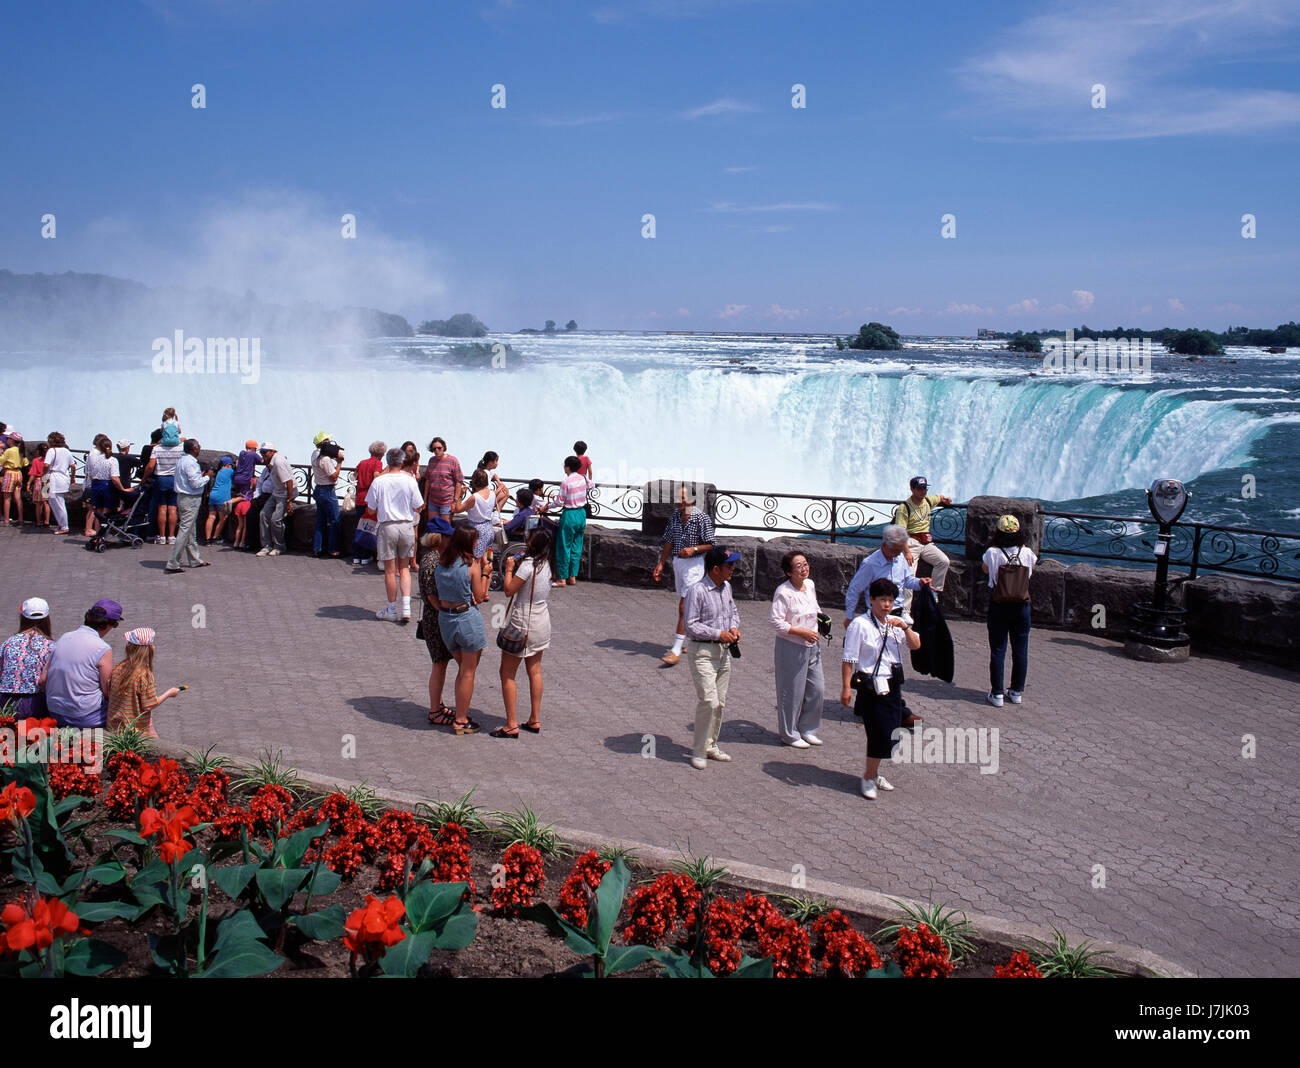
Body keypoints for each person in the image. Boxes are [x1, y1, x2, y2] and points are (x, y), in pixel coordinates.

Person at [840, 577, 922, 800]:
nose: (886, 605)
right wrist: (846, 688)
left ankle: (874, 773)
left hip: (892, 685)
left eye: (890, 600)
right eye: (882, 600)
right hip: (871, 686)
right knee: (878, 733)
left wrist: (905, 627)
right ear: (871, 600)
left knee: (891, 732)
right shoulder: (860, 624)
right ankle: (868, 776)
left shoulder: (896, 623)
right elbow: (849, 659)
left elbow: (916, 645)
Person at [683, 546, 742, 770]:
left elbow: (733, 611)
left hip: (723, 653)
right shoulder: (697, 591)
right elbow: (691, 625)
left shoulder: (727, 588)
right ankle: (698, 751)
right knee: (709, 701)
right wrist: (719, 634)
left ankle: (711, 745)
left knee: (720, 703)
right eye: (729, 566)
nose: (733, 570)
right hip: (702, 653)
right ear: (716, 569)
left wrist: (734, 628)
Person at [494, 528, 553, 738]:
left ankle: (511, 724)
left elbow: (509, 590)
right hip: (542, 620)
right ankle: (534, 718)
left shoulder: (527, 567)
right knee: (535, 670)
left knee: (507, 673)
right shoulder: (546, 564)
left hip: (523, 622)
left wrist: (509, 568)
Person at [434, 525, 492, 735]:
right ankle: (461, 719)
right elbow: (480, 596)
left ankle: (460, 712)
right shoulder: (472, 566)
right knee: (468, 672)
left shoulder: (441, 563)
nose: (477, 544)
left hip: (445, 619)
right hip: (466, 618)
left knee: (462, 669)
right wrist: (486, 574)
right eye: (475, 541)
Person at [652, 485, 715, 665]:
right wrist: (661, 563)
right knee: (689, 603)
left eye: (682, 498)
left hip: (694, 564)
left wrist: (693, 549)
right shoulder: (675, 515)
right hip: (679, 563)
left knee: (684, 605)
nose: (678, 501)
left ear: (693, 500)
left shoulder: (701, 518)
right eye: (677, 498)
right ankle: (697, 637)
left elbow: (711, 543)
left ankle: (676, 650)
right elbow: (669, 540)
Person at [770, 551, 825, 749]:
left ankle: (808, 728)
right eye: (799, 566)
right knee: (791, 693)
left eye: (805, 563)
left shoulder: (809, 585)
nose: (804, 568)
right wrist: (801, 633)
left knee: (817, 689)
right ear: (788, 572)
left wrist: (822, 620)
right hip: (791, 645)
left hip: (812, 644)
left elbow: (815, 608)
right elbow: (776, 623)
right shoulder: (783, 592)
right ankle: (789, 734)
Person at [982, 514, 1037, 707]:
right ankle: (1016, 692)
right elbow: (1030, 572)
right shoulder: (1028, 553)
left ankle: (997, 694)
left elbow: (986, 570)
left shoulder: (992, 552)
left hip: (999, 604)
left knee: (998, 649)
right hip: (1022, 605)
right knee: (1020, 650)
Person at [42, 599, 123, 728]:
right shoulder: (102, 648)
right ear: (108, 625)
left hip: (55, 712)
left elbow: (42, 680)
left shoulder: (64, 637)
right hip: (84, 716)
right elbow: (108, 691)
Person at [368, 447, 424, 623]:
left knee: (390, 571)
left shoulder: (379, 482)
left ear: (387, 461)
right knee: (405, 568)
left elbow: (370, 508)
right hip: (406, 526)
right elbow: (419, 505)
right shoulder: (409, 480)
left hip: (387, 526)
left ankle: (392, 609)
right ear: (402, 462)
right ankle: (406, 608)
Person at [844, 524, 932, 627]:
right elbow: (854, 590)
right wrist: (849, 616)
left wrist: (920, 582)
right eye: (896, 551)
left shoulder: (900, 558)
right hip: (877, 614)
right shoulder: (870, 564)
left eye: (901, 550)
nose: (899, 554)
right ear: (884, 546)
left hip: (897, 613)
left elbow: (907, 580)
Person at [893, 476, 953, 615]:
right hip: (911, 543)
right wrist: (907, 552)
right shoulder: (904, 507)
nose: (923, 491)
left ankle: (934, 594)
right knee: (909, 576)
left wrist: (945, 500)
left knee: (943, 561)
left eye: (925, 488)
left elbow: (940, 498)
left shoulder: (928, 500)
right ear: (912, 489)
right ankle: (905, 610)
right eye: (920, 489)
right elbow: (900, 532)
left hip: (926, 543)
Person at [106, 627, 181, 736]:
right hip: (133, 733)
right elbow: (148, 705)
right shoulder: (144, 675)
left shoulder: (118, 668)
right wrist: (169, 693)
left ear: (129, 647)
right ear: (150, 649)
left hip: (114, 728)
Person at [417, 532, 455, 727]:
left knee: (441, 664)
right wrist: (447, 612)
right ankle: (434, 710)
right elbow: (432, 596)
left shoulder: (430, 557)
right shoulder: (433, 561)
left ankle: (438, 705)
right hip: (435, 617)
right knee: (439, 664)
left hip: (432, 616)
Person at [165, 439, 213, 573]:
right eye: (198, 446)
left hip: (182, 497)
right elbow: (195, 484)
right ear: (193, 449)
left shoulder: (181, 460)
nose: (200, 448)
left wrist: (200, 477)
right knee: (185, 530)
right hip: (190, 499)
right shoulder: (191, 463)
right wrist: (208, 477)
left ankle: (194, 559)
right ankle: (173, 562)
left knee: (191, 530)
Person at [0, 597, 54, 707]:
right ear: (47, 619)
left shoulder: (8, 643)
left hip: (5, 702)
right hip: (33, 703)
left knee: (20, 722)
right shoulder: (50, 646)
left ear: (23, 618)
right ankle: (23, 724)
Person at [547, 455, 588, 587]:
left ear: (568, 467)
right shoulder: (584, 479)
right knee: (577, 545)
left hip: (570, 514)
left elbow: (559, 502)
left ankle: (562, 579)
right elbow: (591, 485)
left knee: (564, 546)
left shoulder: (566, 482)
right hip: (582, 514)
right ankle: (572, 577)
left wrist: (547, 505)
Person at [142, 423, 184, 544]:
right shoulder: (180, 448)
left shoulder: (157, 448)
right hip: (175, 480)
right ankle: (171, 537)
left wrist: (144, 478)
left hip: (161, 480)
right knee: (172, 508)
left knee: (161, 508)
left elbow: (150, 466)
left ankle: (161, 537)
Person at [256, 442, 295, 557]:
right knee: (263, 514)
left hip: (285, 492)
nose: (263, 455)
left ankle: (279, 546)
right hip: (277, 492)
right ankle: (266, 545)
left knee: (276, 519)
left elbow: (289, 482)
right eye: (261, 452)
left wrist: (289, 501)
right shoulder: (270, 462)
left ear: (273, 452)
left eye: (265, 452)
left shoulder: (278, 462)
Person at [310, 430, 345, 558]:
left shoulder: (314, 454)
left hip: (318, 489)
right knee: (335, 520)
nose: (330, 443)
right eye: (328, 441)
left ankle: (317, 548)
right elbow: (333, 477)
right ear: (323, 443)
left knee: (320, 520)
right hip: (327, 491)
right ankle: (333, 549)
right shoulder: (325, 459)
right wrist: (339, 463)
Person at [84, 434, 124, 538]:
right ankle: (103, 533)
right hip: (107, 486)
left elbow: (91, 474)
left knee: (98, 511)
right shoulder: (113, 460)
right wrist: (122, 489)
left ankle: (98, 534)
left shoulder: (95, 459)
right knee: (107, 512)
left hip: (96, 485)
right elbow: (114, 477)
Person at [452, 469, 499, 559]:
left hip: (477, 530)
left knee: (475, 560)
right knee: (488, 558)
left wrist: (461, 494)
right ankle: (488, 572)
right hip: (489, 528)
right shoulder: (492, 494)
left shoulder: (475, 497)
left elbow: (457, 509)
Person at [423, 437, 464, 537]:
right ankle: (433, 552)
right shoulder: (431, 461)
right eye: (434, 449)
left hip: (447, 502)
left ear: (444, 447)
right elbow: (428, 481)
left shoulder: (452, 461)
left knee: (445, 531)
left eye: (439, 448)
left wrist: (455, 501)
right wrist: (424, 500)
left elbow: (459, 481)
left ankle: (444, 552)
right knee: (432, 530)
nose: (436, 451)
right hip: (433, 501)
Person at [43, 432, 76, 536]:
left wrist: (44, 474)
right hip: (63, 478)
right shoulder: (66, 451)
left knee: (57, 502)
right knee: (54, 502)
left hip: (52, 477)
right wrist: (73, 478)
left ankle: (64, 526)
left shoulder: (51, 451)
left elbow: (46, 464)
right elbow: (73, 466)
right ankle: (61, 524)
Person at [204, 455, 235, 543]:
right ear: (228, 464)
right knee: (223, 518)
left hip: (213, 495)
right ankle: (215, 537)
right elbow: (239, 474)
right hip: (222, 497)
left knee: (211, 517)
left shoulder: (218, 472)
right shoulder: (229, 471)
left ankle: (207, 539)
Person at [1, 431, 24, 526]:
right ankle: (21, 519)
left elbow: (0, 461)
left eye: (8, 439)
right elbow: (25, 462)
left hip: (10, 474)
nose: (7, 440)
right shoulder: (21, 450)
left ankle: (6, 520)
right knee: (18, 498)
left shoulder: (9, 451)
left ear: (12, 440)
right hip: (19, 473)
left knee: (7, 498)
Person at [26, 443, 48, 529]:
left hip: (38, 481)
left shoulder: (35, 461)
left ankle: (38, 522)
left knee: (39, 504)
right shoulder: (49, 461)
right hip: (47, 480)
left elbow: (33, 474)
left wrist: (28, 483)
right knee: (46, 502)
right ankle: (47, 521)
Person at [112, 438, 137, 510]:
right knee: (124, 505)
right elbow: (140, 463)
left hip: (115, 484)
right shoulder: (129, 458)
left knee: (116, 504)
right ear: (127, 448)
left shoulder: (114, 457)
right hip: (125, 485)